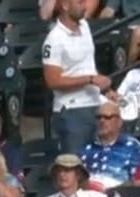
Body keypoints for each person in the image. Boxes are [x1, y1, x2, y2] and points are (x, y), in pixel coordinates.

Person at [44, 0, 117, 155]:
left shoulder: (85, 26)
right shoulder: (54, 39)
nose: (85, 7)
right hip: (72, 110)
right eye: (79, 3)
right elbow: (52, 81)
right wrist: (89, 80)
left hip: (95, 104)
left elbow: (88, 64)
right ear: (65, 5)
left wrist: (106, 89)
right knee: (76, 163)